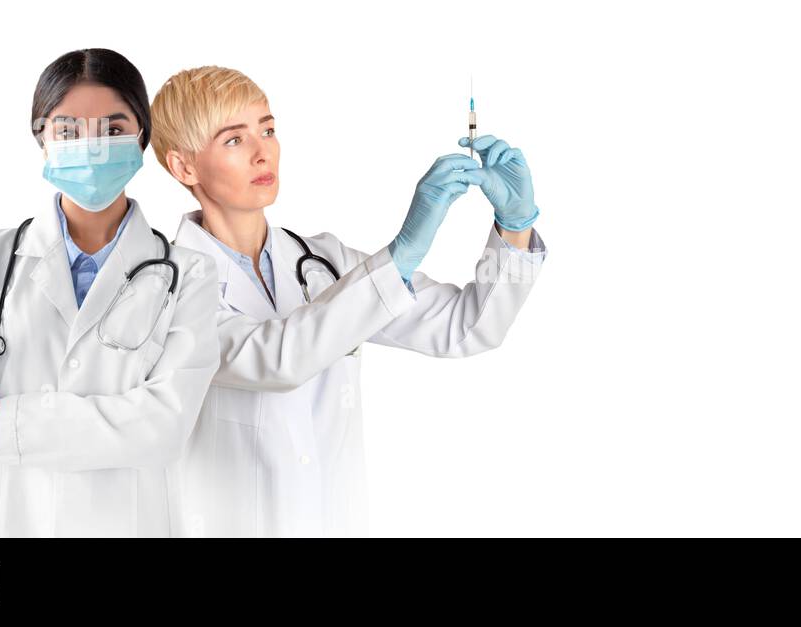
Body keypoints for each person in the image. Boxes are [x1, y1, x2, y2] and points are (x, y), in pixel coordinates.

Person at [150, 66, 547, 536]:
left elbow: (467, 327)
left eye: (269, 130)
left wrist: (515, 225)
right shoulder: (162, 290)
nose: (263, 152)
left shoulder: (326, 261)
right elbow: (277, 360)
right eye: (235, 140)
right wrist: (398, 256)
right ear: (184, 167)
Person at [0, 49, 220, 537]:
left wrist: (2, 426)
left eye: (112, 129)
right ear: (42, 140)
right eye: (68, 131)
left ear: (142, 138)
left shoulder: (189, 273)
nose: (90, 147)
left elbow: (163, 428)